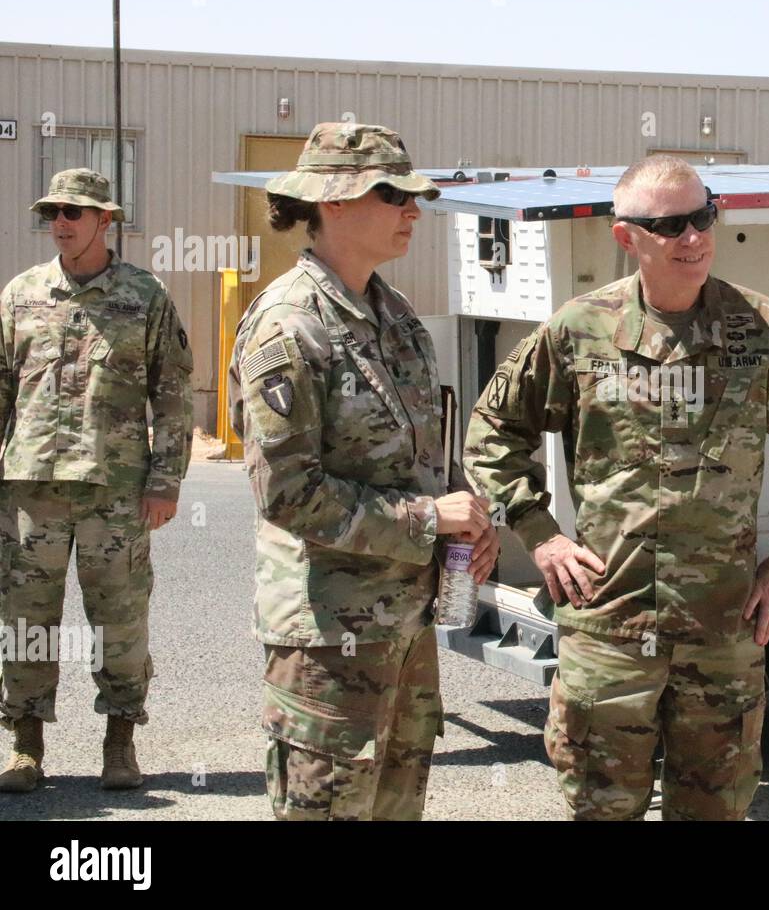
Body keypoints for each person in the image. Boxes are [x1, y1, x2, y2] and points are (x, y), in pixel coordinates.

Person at [463, 153, 769, 820]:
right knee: (601, 808)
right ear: (627, 238)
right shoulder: (579, 332)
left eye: (703, 216)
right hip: (610, 628)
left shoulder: (760, 331)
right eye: (671, 225)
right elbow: (493, 432)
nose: (693, 237)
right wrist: (541, 535)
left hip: (722, 632)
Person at [228, 122, 498, 821]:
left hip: (403, 624)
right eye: (392, 193)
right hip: (326, 634)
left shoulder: (395, 313)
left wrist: (465, 512)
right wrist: (427, 519)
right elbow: (287, 494)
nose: (413, 209)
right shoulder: (289, 326)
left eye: (414, 196)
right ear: (335, 201)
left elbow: (423, 451)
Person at [0, 168, 193, 792]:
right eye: (53, 211)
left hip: (115, 490)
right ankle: (26, 745)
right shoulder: (20, 294)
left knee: (119, 619)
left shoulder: (145, 296)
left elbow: (172, 398)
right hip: (29, 489)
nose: (60, 221)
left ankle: (120, 742)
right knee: (26, 619)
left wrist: (164, 482)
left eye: (74, 212)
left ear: (106, 220)